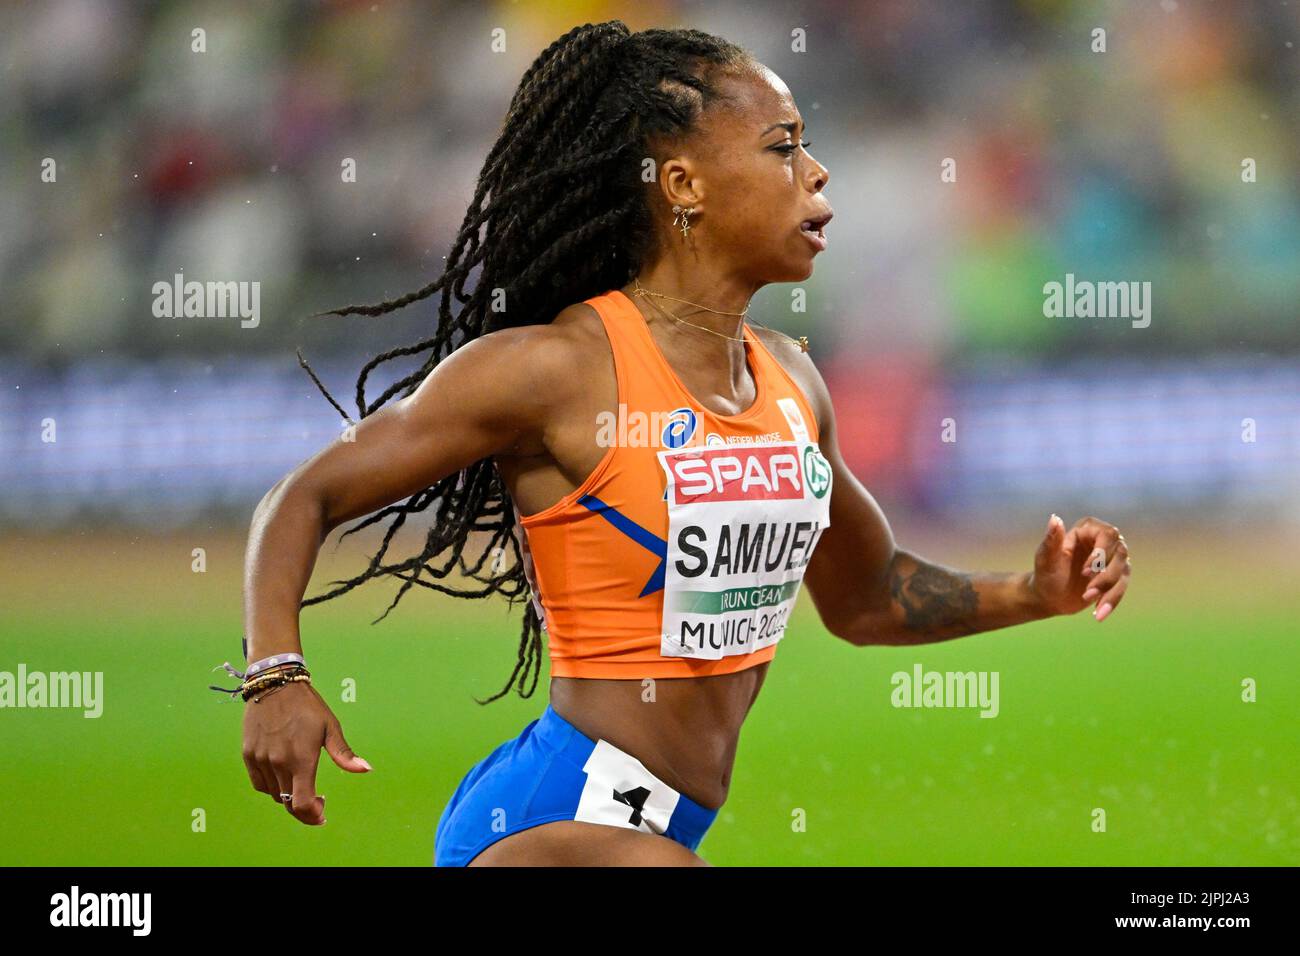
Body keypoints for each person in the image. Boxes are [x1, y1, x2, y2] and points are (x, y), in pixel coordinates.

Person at [235, 21, 1132, 866]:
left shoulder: (791, 382)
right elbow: (302, 497)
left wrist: (1034, 590)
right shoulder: (555, 370)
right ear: (682, 185)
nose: (817, 174)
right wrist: (275, 676)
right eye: (782, 148)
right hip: (553, 822)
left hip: (661, 827)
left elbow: (866, 598)